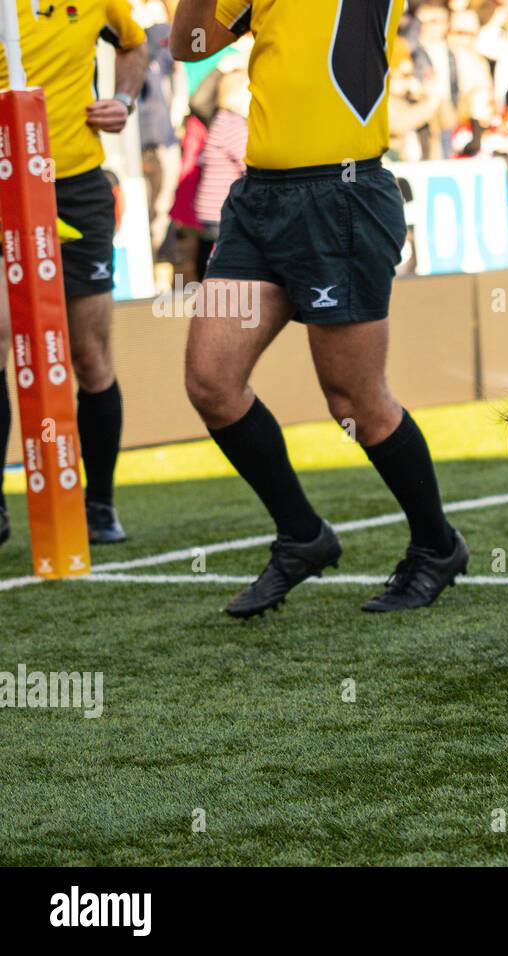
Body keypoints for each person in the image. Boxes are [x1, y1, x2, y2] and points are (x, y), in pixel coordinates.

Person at [170, 0, 468, 617]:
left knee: (354, 400)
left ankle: (436, 545)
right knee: (211, 382)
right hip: (258, 197)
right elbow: (190, 43)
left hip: (343, 194)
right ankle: (303, 536)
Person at [0, 0, 148, 548]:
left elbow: (136, 44)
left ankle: (99, 505)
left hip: (78, 183)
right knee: (4, 339)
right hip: (5, 181)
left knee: (90, 353)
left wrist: (124, 102)